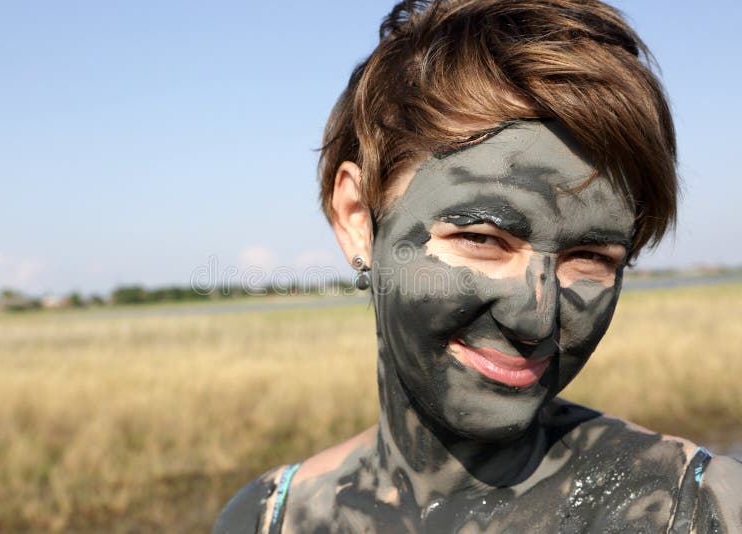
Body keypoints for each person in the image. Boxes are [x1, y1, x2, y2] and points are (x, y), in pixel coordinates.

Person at [215, 0, 742, 532]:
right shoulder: (269, 519)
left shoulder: (695, 510)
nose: (535, 320)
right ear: (358, 218)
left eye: (589, 258)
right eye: (481, 239)